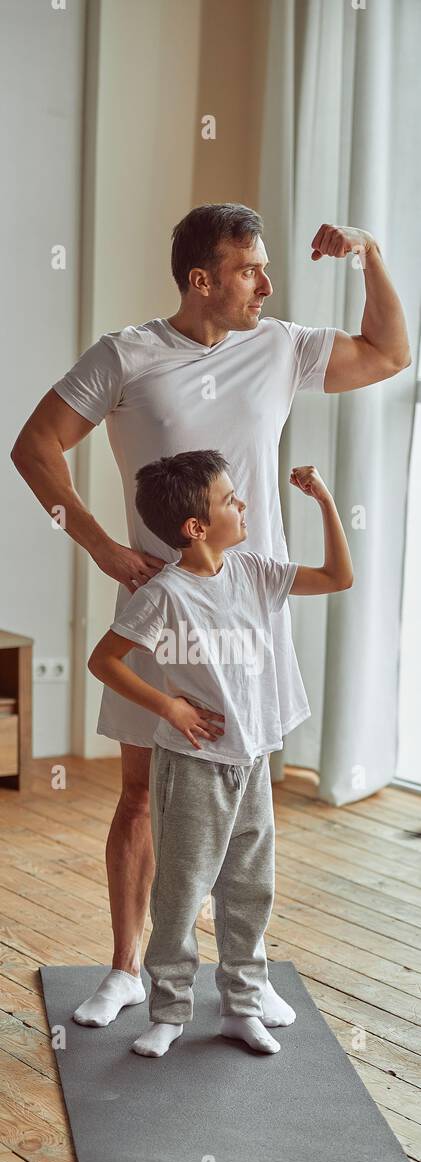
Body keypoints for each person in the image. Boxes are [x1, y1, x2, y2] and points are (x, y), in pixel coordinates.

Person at [10, 204, 411, 1030]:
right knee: (138, 795)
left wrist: (368, 253)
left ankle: (242, 975)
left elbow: (387, 353)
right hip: (160, 607)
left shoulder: (281, 347)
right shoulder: (126, 354)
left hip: (251, 610)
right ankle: (126, 969)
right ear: (201, 280)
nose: (266, 285)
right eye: (249, 270)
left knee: (247, 795)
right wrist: (100, 546)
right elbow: (35, 447)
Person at [80, 449, 353, 1058]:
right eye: (231, 500)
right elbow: (103, 661)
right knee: (181, 893)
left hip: (250, 764)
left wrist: (326, 502)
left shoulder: (254, 572)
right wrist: (169, 708)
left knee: (249, 890)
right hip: (192, 767)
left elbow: (339, 578)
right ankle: (169, 1012)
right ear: (195, 527)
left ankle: (241, 1007)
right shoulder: (164, 593)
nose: (243, 504)